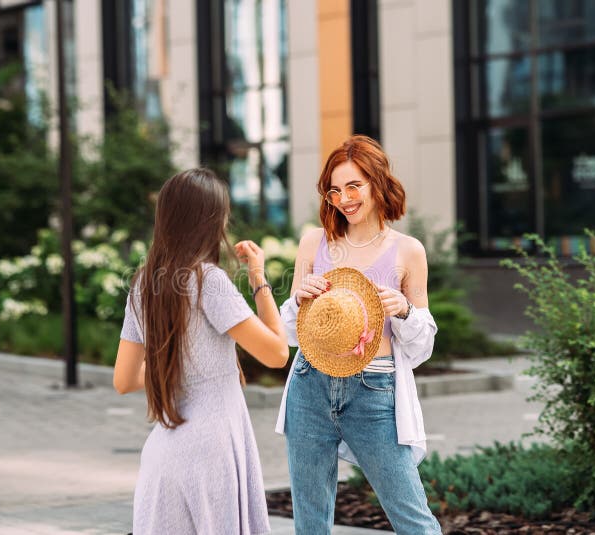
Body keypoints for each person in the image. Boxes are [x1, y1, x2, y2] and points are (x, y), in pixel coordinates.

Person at [274, 135, 443, 534]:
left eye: (354, 186)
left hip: (374, 389)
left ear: (378, 183)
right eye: (335, 190)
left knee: (413, 519)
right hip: (308, 385)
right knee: (310, 523)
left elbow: (422, 347)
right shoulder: (314, 243)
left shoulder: (407, 251)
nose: (344, 198)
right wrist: (299, 300)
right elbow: (287, 334)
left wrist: (403, 310)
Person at [113, 168, 289, 535]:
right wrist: (258, 277)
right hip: (212, 455)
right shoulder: (209, 281)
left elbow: (124, 380)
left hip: (162, 459)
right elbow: (276, 353)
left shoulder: (143, 285)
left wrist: (176, 367)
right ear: (210, 221)